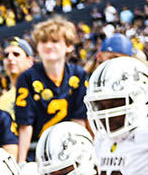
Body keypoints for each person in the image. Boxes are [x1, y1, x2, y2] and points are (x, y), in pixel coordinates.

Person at [13, 19, 90, 159]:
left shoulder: (78, 74)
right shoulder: (27, 78)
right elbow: (25, 125)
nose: (48, 45)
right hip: (39, 152)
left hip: (70, 148)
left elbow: (79, 119)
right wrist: (21, 163)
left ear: (69, 46)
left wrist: (82, 153)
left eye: (54, 41)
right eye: (43, 41)